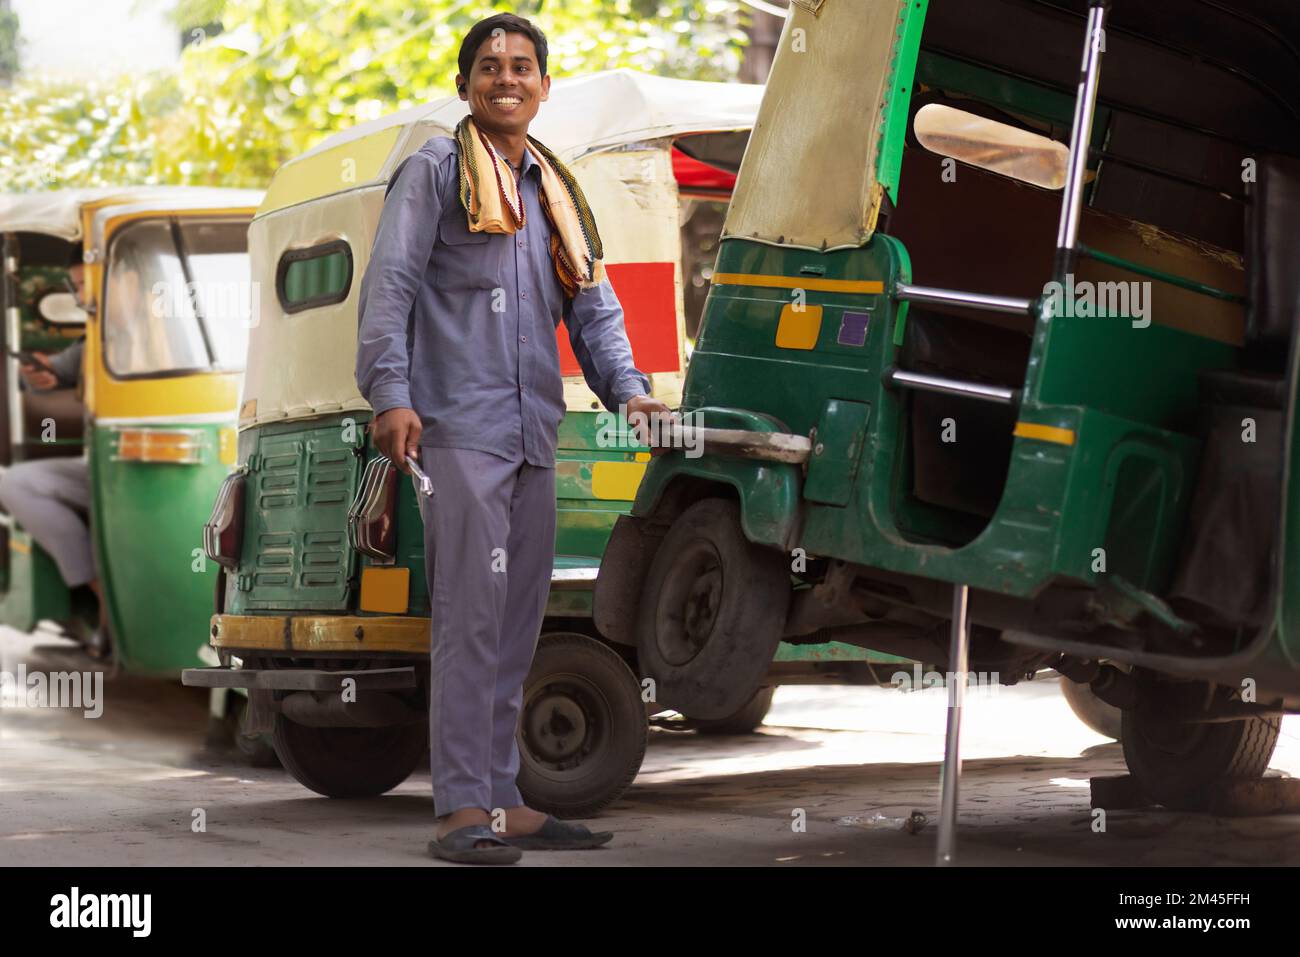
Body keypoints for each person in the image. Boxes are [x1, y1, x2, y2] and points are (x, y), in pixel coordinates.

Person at [355, 12, 672, 864]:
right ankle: (461, 809)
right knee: (470, 618)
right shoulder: (432, 170)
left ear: (543, 85)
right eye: (489, 65)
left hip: (534, 433)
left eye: (523, 65)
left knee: (517, 623)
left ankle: (501, 799)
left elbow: (592, 306)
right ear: (464, 85)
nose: (507, 77)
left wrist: (631, 391)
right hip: (458, 430)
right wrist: (390, 392)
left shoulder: (550, 188)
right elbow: (388, 288)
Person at [0, 260, 107, 657]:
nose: (81, 293)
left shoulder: (150, 329)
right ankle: (98, 592)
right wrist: (37, 373)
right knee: (13, 481)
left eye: (87, 282)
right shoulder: (89, 341)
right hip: (101, 464)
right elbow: (51, 375)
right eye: (76, 285)